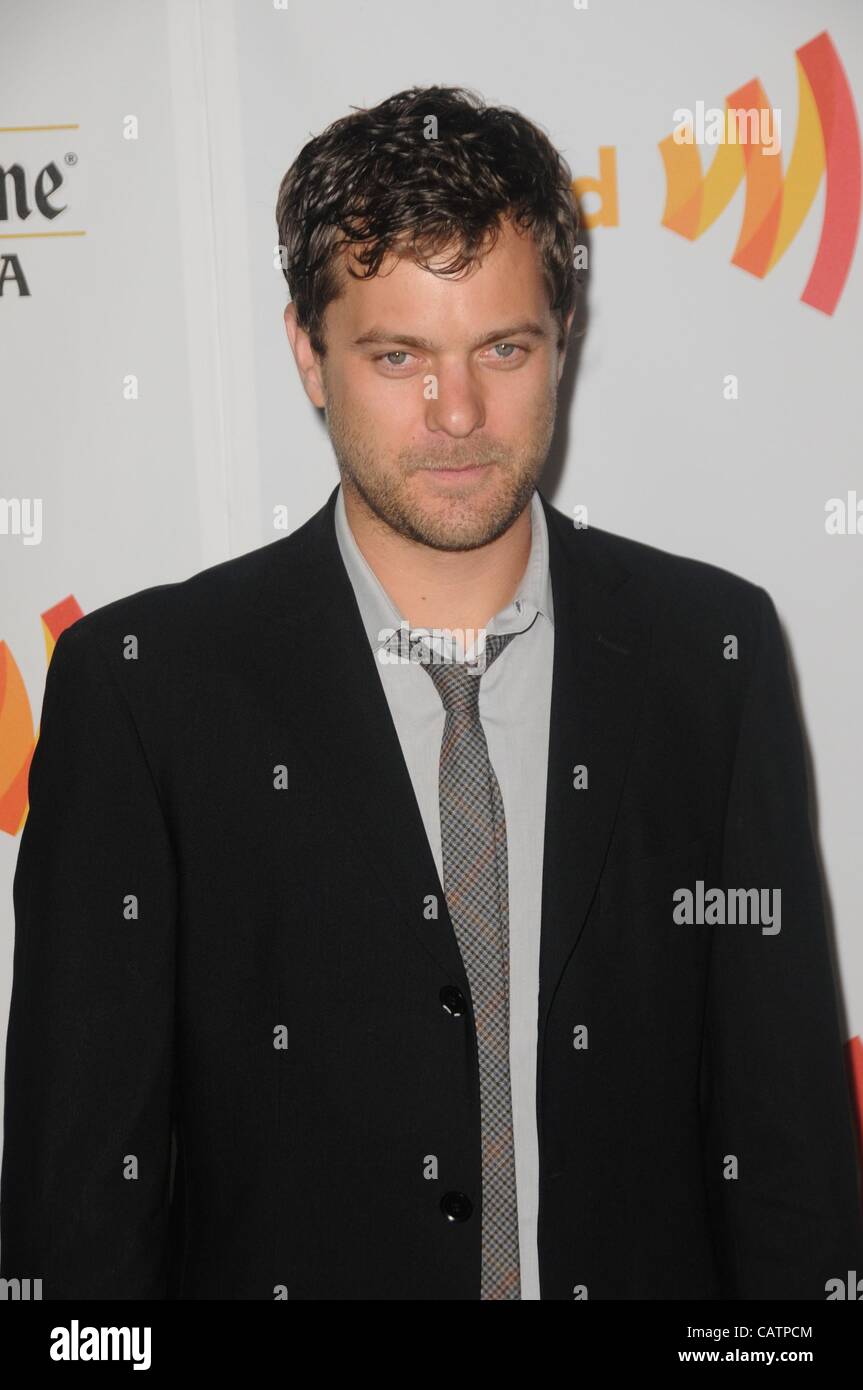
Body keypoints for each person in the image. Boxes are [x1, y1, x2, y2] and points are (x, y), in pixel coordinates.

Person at [2, 84, 861, 1301]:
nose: (455, 416)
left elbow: (785, 1149)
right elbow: (79, 1208)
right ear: (307, 350)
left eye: (500, 348)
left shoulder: (708, 655)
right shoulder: (146, 695)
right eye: (396, 354)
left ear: (562, 331)